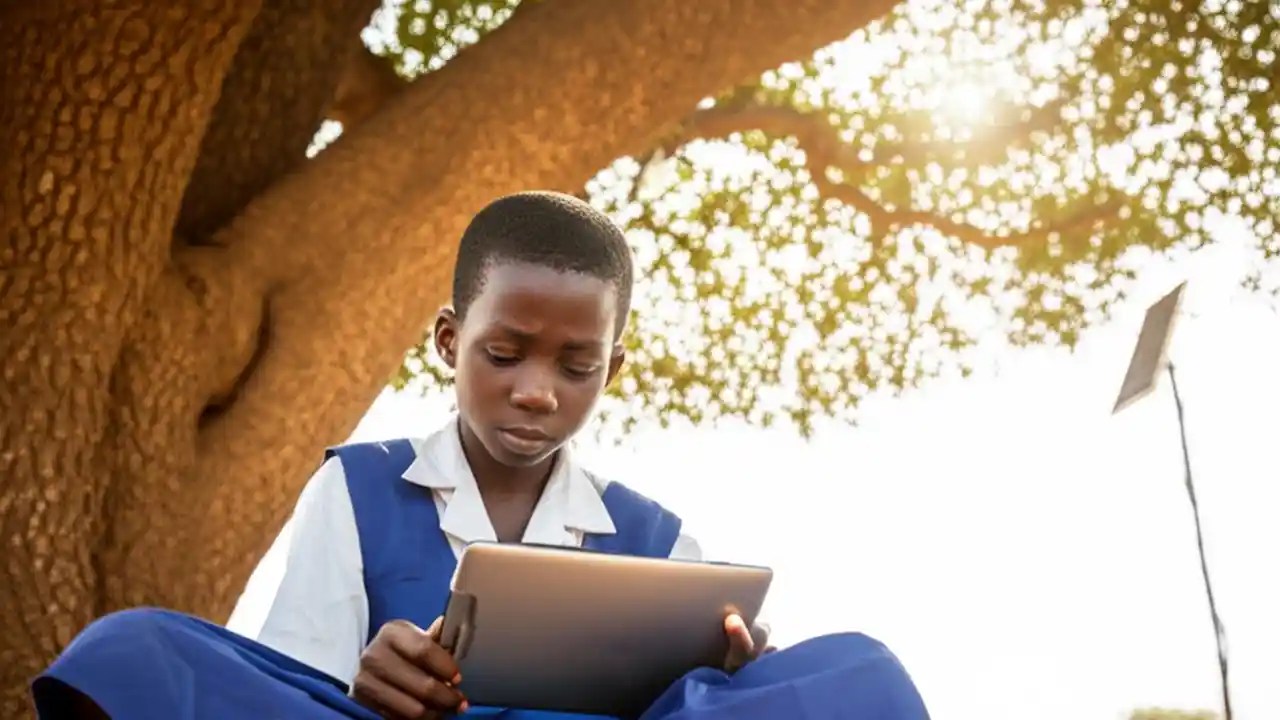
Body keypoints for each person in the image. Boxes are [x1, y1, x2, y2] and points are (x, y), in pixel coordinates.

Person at [32, 191, 931, 720]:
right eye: (504, 354)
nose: (537, 391)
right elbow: (292, 691)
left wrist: (728, 679)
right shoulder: (359, 487)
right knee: (135, 648)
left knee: (860, 673)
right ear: (448, 341)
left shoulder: (660, 541)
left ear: (612, 370)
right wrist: (366, 683)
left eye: (576, 367)